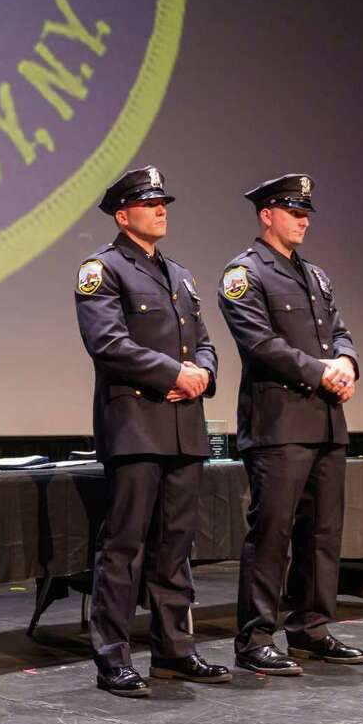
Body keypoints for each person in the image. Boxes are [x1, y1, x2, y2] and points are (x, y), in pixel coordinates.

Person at [74, 166, 228, 697]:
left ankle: (174, 649)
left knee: (175, 545)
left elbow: (204, 341)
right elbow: (109, 344)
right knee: (125, 546)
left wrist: (203, 374)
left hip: (185, 425)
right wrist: (174, 373)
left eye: (164, 201)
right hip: (135, 425)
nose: (161, 209)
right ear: (123, 214)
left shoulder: (179, 274)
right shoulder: (102, 269)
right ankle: (112, 656)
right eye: (149, 202)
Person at [215, 173, 363, 676]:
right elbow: (259, 344)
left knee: (323, 531)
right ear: (267, 215)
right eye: (293, 211)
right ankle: (255, 637)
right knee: (272, 532)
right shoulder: (244, 274)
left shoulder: (316, 275)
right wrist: (322, 371)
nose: (303, 220)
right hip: (278, 424)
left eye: (306, 213)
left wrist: (346, 362)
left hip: (325, 421)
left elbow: (339, 331)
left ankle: (311, 628)